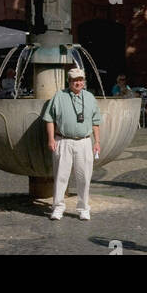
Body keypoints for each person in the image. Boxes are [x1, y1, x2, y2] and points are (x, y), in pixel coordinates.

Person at [43, 66, 102, 221]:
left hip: (84, 142)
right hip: (63, 141)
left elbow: (96, 122)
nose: (78, 83)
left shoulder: (90, 97)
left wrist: (97, 142)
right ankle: (58, 207)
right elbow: (49, 119)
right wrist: (50, 139)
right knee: (61, 177)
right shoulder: (59, 96)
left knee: (84, 177)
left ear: (84, 81)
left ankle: (83, 208)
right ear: (69, 81)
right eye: (75, 80)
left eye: (80, 79)